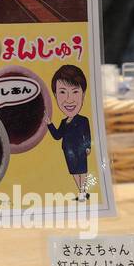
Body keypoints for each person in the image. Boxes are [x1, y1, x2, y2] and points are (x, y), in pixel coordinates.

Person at [47, 64, 92, 200]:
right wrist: (49, 124)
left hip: (80, 149)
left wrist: (88, 146)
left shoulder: (84, 119)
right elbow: (57, 136)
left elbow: (87, 133)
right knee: (73, 171)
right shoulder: (63, 122)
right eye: (62, 92)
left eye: (75, 91)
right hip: (68, 150)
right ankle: (81, 191)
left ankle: (83, 191)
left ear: (83, 94)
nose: (69, 99)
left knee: (82, 171)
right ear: (55, 95)